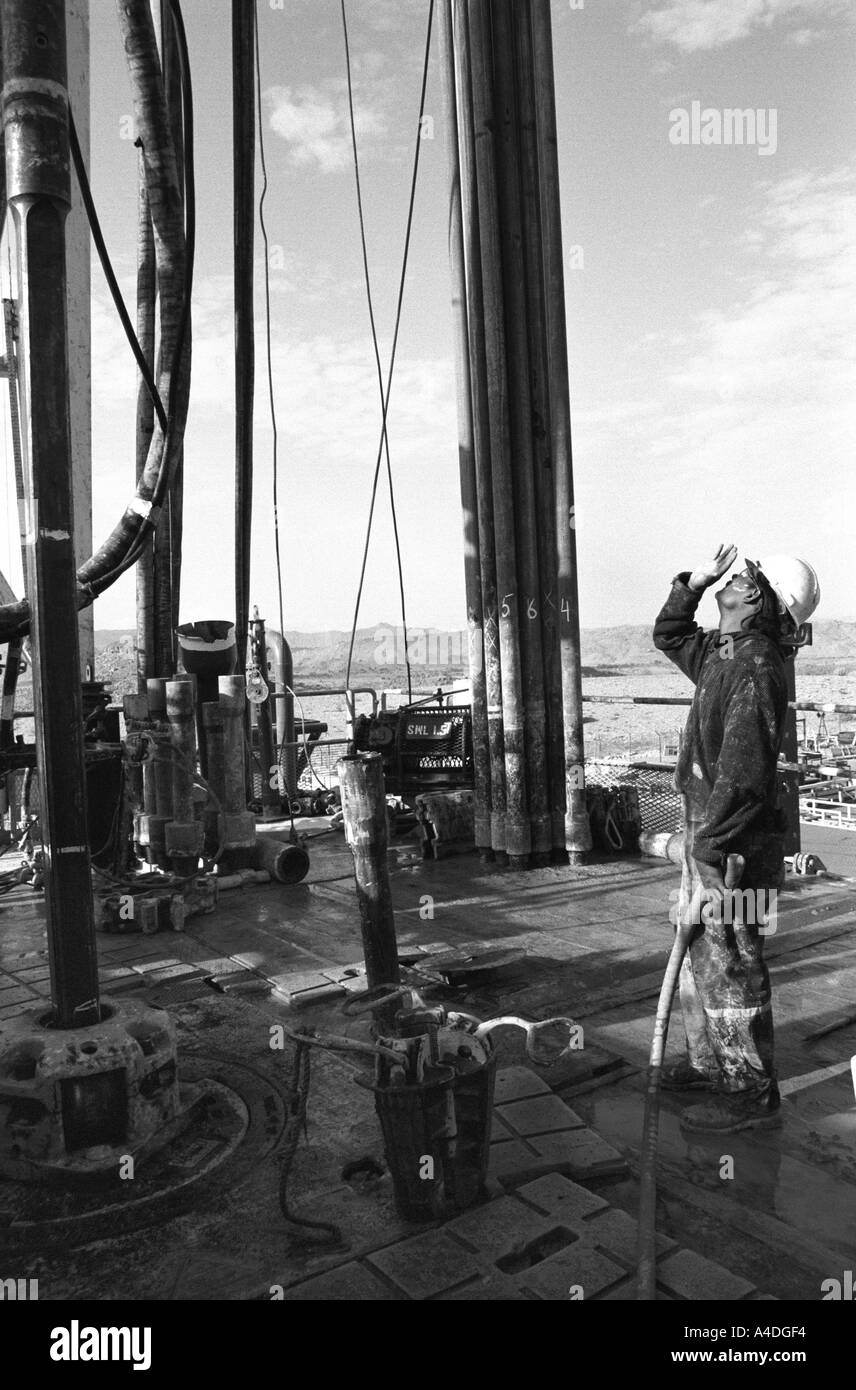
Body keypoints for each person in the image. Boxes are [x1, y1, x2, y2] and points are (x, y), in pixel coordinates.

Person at [652, 545, 820, 1133]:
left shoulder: (754, 665)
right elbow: (670, 634)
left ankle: (749, 1091)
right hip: (713, 828)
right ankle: (709, 1064)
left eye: (742, 575)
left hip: (734, 843)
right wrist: (691, 582)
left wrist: (710, 851)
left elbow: (745, 772)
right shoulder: (725, 653)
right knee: (705, 954)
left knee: (735, 962)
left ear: (755, 598)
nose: (732, 576)